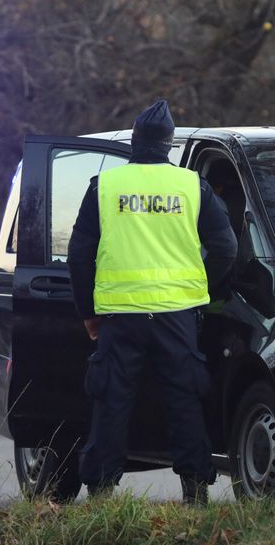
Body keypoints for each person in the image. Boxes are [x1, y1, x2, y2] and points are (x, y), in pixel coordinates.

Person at [67, 99, 238, 505]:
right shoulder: (192, 186)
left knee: (112, 401)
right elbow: (226, 248)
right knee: (184, 401)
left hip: (120, 316)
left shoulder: (105, 186)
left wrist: (88, 313)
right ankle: (194, 493)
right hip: (177, 316)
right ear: (169, 145)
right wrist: (201, 288)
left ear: (134, 141)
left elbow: (78, 255)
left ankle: (101, 494)